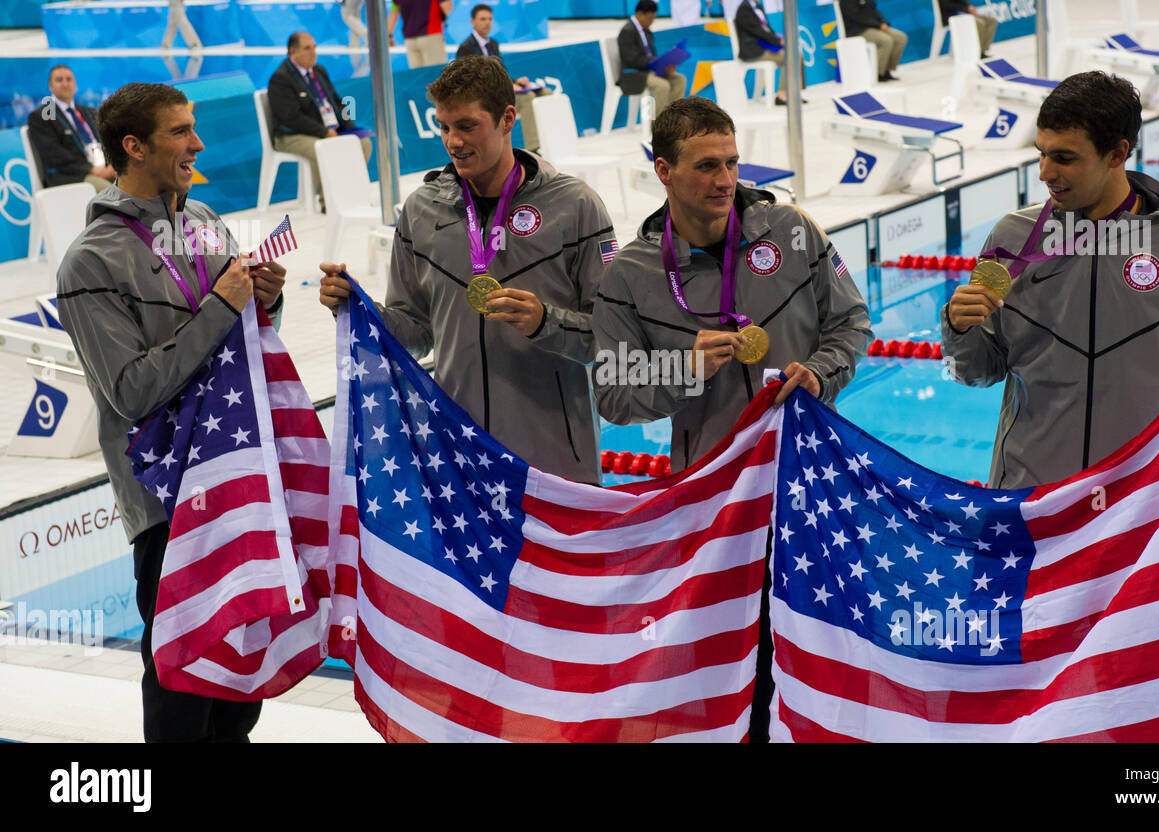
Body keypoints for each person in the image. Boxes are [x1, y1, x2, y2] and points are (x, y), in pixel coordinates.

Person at [591, 97, 871, 742]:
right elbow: (611, 395)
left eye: (732, 162)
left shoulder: (793, 232)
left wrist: (821, 373)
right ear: (663, 170)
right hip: (714, 504)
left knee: (815, 658)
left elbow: (852, 323)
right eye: (706, 166)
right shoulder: (631, 275)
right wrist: (680, 368)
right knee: (725, 670)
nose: (725, 180)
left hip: (810, 488)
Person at [56, 82, 287, 742]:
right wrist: (222, 303)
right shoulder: (90, 262)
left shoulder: (206, 221)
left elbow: (241, 350)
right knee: (183, 692)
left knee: (241, 687)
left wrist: (261, 303)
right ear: (133, 146)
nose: (198, 144)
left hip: (236, 476)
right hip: (168, 501)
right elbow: (131, 392)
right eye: (181, 131)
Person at [942, 72, 1159, 489]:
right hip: (1034, 502)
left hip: (1144, 506)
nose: (1044, 172)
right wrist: (958, 328)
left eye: (1064, 158)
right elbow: (971, 373)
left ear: (1117, 153)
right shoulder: (1011, 238)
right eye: (1041, 154)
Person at [318, 56, 619, 484]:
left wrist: (545, 322)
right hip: (461, 453)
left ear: (507, 118)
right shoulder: (422, 211)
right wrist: (359, 309)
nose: (453, 141)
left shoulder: (574, 207)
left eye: (466, 125)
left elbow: (613, 335)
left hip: (553, 457)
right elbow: (417, 334)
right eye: (443, 127)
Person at [267, 31, 373, 211]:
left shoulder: (319, 71)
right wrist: (324, 132)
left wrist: (350, 128)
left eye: (314, 47)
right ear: (293, 52)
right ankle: (330, 203)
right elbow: (291, 118)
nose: (313, 52)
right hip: (291, 135)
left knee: (363, 143)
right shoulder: (281, 78)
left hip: (327, 129)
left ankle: (351, 194)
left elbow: (337, 102)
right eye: (307, 48)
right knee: (321, 148)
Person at [456, 3, 551, 153]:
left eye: (490, 19)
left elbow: (500, 72)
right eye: (482, 19)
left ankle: (552, 139)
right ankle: (533, 149)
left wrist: (515, 82)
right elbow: (471, 81)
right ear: (472, 22)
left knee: (546, 93)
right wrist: (506, 87)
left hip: (503, 89)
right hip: (487, 96)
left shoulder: (493, 44)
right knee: (527, 98)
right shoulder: (466, 48)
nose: (487, 22)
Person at [26, 65, 116, 192]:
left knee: (133, 183)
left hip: (103, 168)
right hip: (71, 175)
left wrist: (112, 166)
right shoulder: (43, 115)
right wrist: (92, 170)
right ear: (50, 86)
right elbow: (54, 154)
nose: (65, 84)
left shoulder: (89, 112)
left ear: (75, 84)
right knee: (110, 192)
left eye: (69, 79)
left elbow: (106, 141)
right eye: (59, 80)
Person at [616, 0, 688, 119]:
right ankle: (657, 125)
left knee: (679, 79)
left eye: (654, 18)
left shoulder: (646, 31)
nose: (652, 22)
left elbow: (651, 55)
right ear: (639, 14)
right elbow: (632, 60)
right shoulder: (627, 31)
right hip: (634, 73)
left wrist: (664, 65)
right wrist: (655, 62)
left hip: (649, 70)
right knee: (662, 86)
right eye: (650, 18)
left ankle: (673, 119)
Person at [733, 0, 789, 105]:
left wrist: (779, 40)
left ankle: (793, 93)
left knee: (796, 54)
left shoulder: (758, 7)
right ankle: (782, 95)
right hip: (752, 51)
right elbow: (759, 32)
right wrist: (778, 41)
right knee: (788, 57)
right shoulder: (744, 9)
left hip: (763, 47)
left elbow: (768, 30)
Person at [838, 0, 907, 82]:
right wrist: (878, 25)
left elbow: (873, 11)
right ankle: (877, 73)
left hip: (874, 26)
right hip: (858, 30)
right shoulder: (846, 2)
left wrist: (882, 22)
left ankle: (886, 70)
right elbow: (856, 17)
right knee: (886, 41)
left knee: (901, 38)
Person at [389, 0, 453, 68]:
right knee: (436, 73)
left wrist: (389, 35)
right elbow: (447, 6)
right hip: (431, 36)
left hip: (410, 40)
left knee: (418, 75)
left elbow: (393, 13)